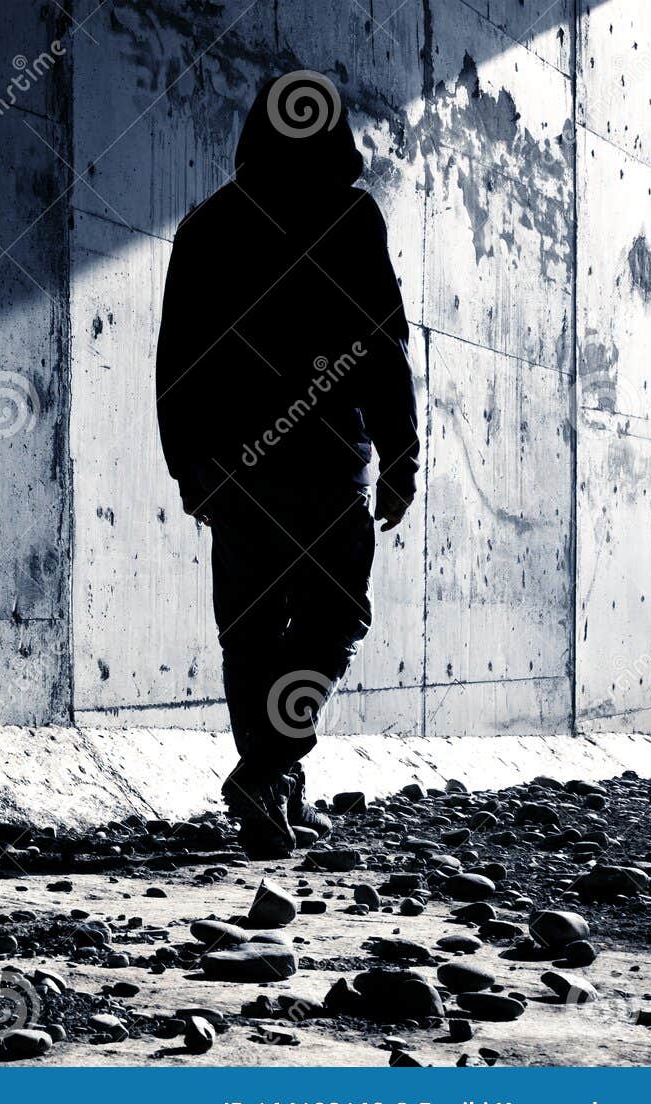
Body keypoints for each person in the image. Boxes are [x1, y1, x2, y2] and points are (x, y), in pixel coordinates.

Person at [155, 72, 420, 858]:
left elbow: (177, 360)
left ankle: (271, 787)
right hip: (329, 460)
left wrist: (188, 466)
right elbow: (383, 345)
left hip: (236, 469)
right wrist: (401, 456)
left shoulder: (206, 226)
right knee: (335, 618)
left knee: (251, 630)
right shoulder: (348, 216)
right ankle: (268, 769)